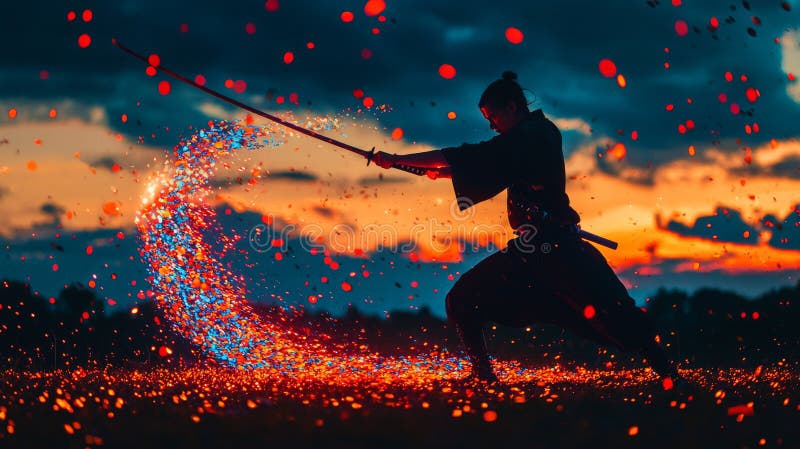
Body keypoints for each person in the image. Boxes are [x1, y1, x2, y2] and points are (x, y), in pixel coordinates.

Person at [372, 71, 678, 384]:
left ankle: (671, 377)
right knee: (461, 299)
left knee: (615, 319)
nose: (492, 125)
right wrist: (425, 169)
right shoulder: (523, 140)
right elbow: (487, 164)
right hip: (530, 251)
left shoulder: (537, 135)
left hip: (558, 250)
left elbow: (476, 157)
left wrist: (397, 157)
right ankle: (483, 376)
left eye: (493, 116)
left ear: (513, 107)